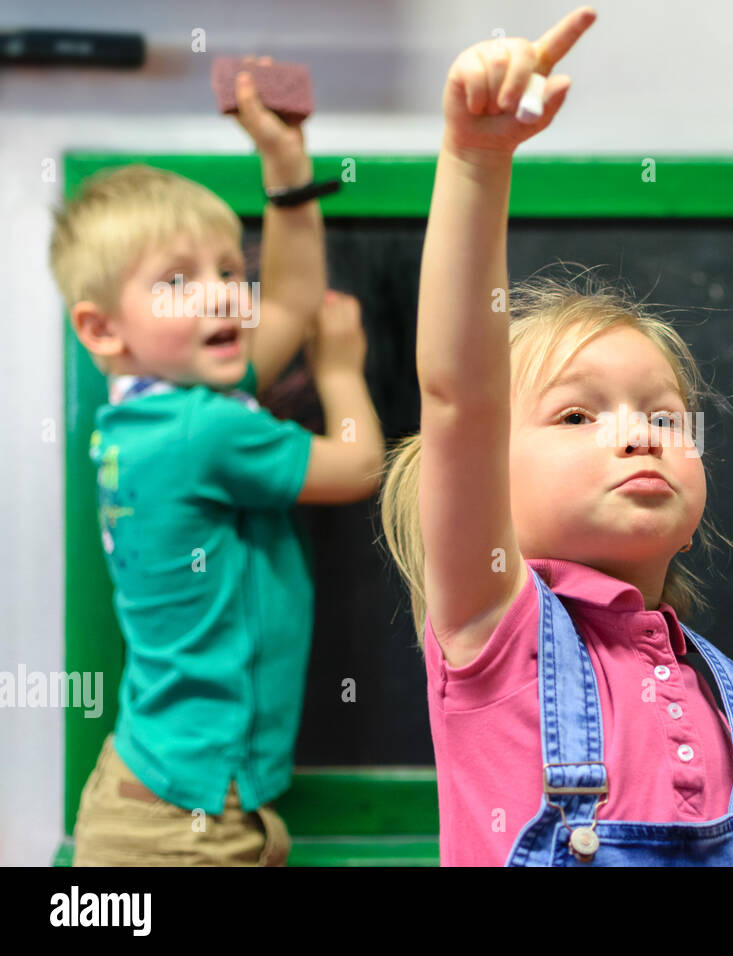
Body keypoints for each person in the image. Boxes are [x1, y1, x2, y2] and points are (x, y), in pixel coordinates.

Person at [380, 7, 733, 866]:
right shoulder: (496, 625)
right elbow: (458, 395)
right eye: (576, 414)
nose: (638, 434)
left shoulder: (712, 683)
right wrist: (477, 161)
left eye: (664, 415)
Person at [51, 57, 384, 865]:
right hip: (185, 825)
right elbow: (356, 467)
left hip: (158, 786)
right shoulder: (204, 431)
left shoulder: (150, 412)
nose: (225, 297)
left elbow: (296, 298)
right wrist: (338, 373)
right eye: (178, 282)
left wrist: (284, 160)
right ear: (102, 331)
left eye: (232, 273)